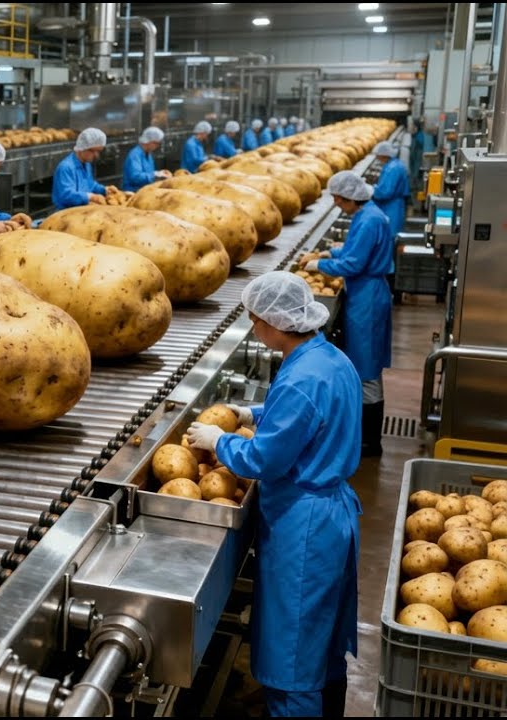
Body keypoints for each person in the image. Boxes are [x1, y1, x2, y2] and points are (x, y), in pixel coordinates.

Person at [185, 270, 362, 718]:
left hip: (304, 529)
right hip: (334, 515)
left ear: (277, 323)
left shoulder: (301, 378)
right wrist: (253, 412)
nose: (253, 327)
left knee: (292, 659)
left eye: (256, 319)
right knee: (321, 643)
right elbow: (305, 414)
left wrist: (220, 442)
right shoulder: (329, 358)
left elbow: (264, 460)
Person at [298, 170, 392, 456]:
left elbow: (354, 265)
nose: (336, 203)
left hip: (367, 299)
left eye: (339, 199)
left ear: (351, 197)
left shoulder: (370, 220)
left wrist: (318, 266)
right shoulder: (367, 214)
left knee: (366, 367)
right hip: (364, 292)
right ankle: (362, 435)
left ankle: (369, 442)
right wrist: (331, 253)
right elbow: (354, 252)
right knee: (362, 364)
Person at [369, 140, 411, 292]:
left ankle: (390, 285)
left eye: (378, 155)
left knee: (388, 247)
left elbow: (385, 192)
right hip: (394, 207)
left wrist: (370, 190)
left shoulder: (392, 169)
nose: (377, 158)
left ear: (383, 154)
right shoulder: (395, 165)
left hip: (391, 209)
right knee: (389, 246)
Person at [52, 127, 108, 211]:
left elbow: (90, 185)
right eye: (93, 151)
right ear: (82, 147)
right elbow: (66, 195)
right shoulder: (66, 167)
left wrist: (105, 189)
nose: (96, 155)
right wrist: (90, 197)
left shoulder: (86, 164)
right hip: (66, 213)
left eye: (98, 151)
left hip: (81, 210)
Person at [121, 126, 171, 192]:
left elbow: (149, 173)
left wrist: (159, 174)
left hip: (145, 190)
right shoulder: (135, 155)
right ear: (150, 142)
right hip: (133, 192)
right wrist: (155, 175)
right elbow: (136, 177)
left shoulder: (148, 154)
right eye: (157, 144)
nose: (157, 146)